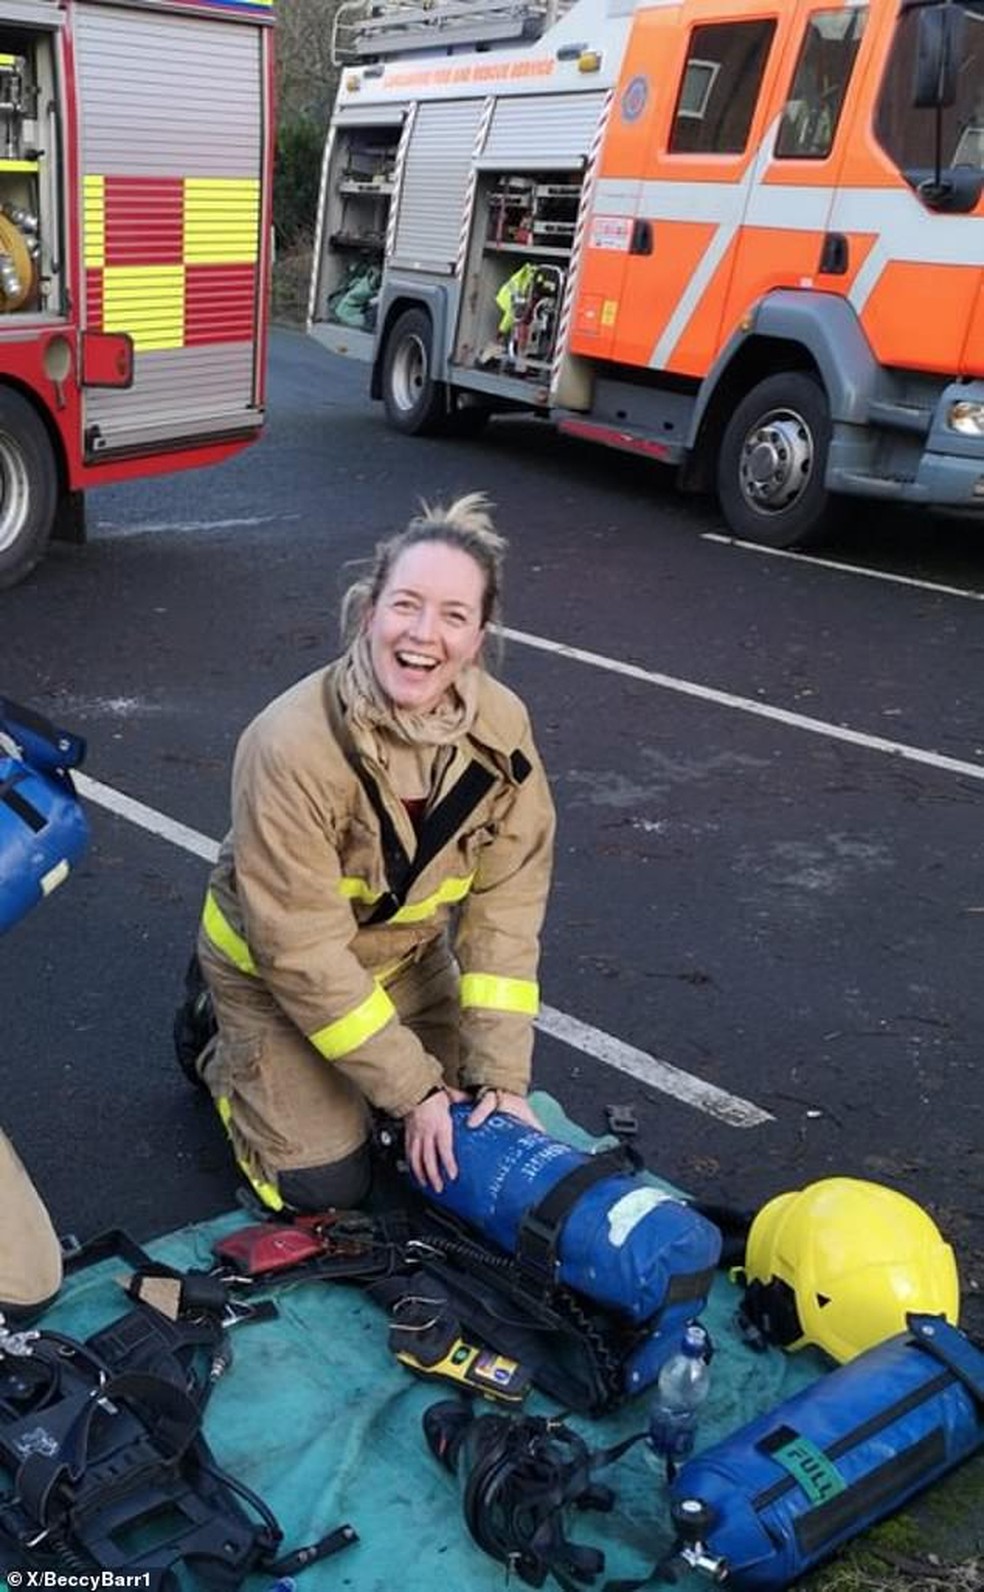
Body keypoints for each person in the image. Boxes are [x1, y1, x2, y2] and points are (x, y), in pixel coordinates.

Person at [187, 493, 556, 1211]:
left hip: (405, 966)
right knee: (323, 1186)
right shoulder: (290, 745)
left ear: (478, 638)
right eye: (405, 605)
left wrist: (500, 1078)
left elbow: (508, 911)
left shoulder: (504, 729)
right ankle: (217, 1043)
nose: (424, 634)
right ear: (368, 613)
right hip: (275, 975)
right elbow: (299, 950)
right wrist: (412, 1089)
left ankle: (373, 1077)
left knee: (471, 1128)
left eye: (453, 615)